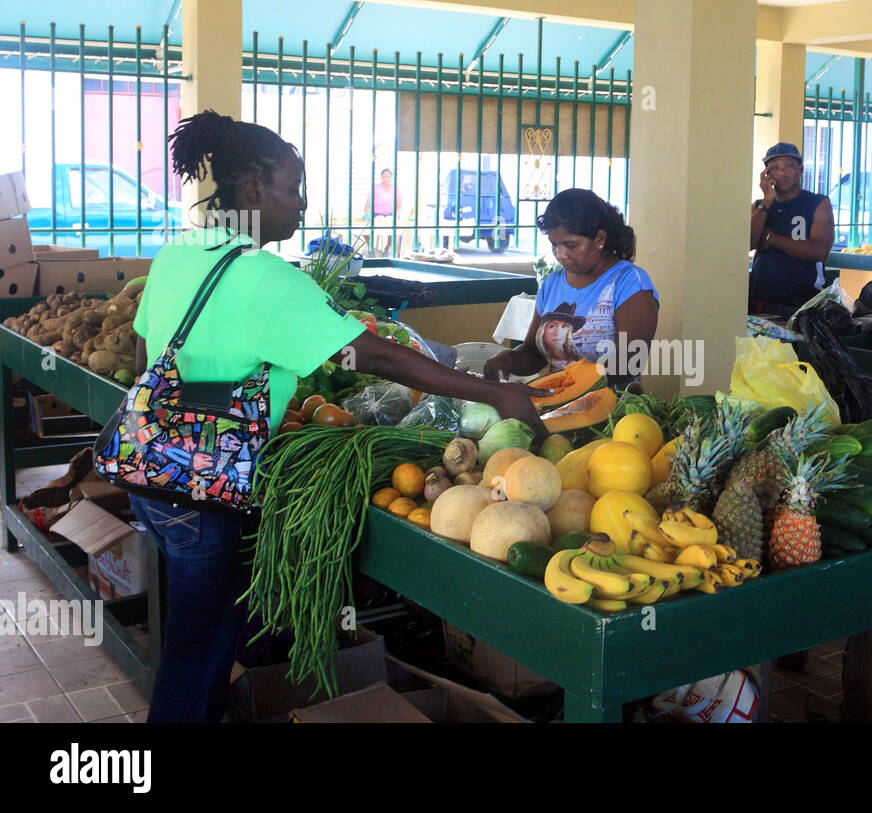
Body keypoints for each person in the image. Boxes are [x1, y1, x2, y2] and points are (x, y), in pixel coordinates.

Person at [129, 111, 547, 723]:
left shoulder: (177, 255)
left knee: (205, 636)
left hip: (151, 469)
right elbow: (376, 356)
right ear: (252, 189)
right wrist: (503, 397)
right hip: (204, 492)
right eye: (292, 187)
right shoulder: (266, 279)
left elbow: (144, 358)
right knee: (197, 653)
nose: (301, 204)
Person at [483, 188, 658, 388]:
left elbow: (627, 364)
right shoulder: (552, 284)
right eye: (554, 244)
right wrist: (509, 359)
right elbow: (534, 353)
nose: (560, 254)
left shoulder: (629, 283)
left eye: (571, 245)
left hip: (612, 411)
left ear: (600, 239)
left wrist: (570, 384)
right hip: (556, 403)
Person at [749, 143, 834, 316]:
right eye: (774, 168)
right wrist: (767, 201)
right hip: (760, 301)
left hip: (801, 304)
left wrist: (771, 239)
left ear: (800, 170)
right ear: (767, 175)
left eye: (788, 166)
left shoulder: (818, 203)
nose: (781, 173)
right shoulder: (760, 206)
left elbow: (820, 251)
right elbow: (748, 243)